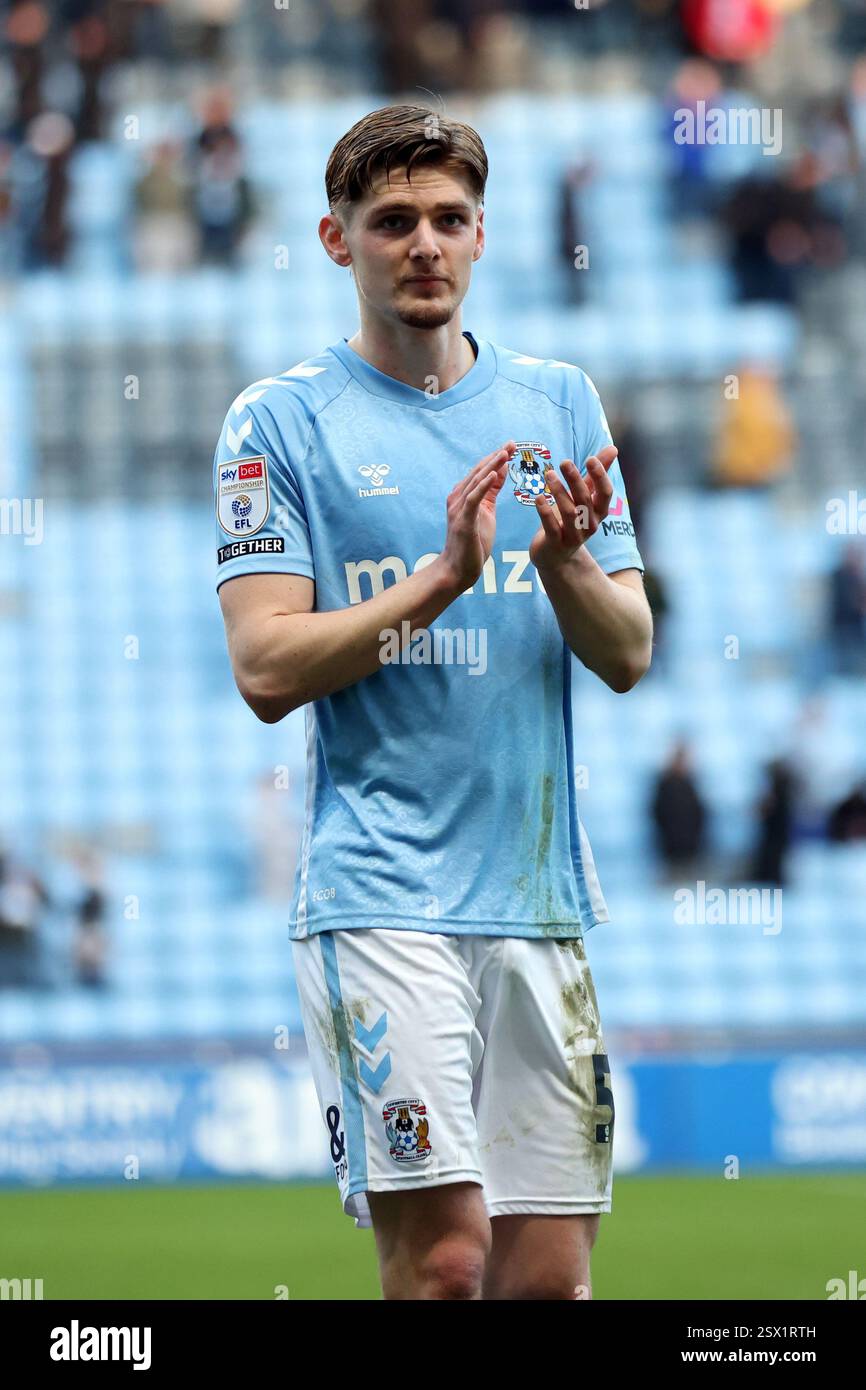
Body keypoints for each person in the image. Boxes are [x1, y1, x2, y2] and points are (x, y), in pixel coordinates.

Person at [213, 105, 653, 1301]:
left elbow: (626, 652)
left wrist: (561, 565)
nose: (424, 244)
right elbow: (265, 669)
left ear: (479, 236)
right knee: (447, 1264)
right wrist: (440, 579)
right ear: (335, 238)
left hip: (538, 898)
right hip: (379, 892)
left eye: (449, 219)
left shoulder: (557, 403)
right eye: (392, 220)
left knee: (545, 1281)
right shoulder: (278, 422)